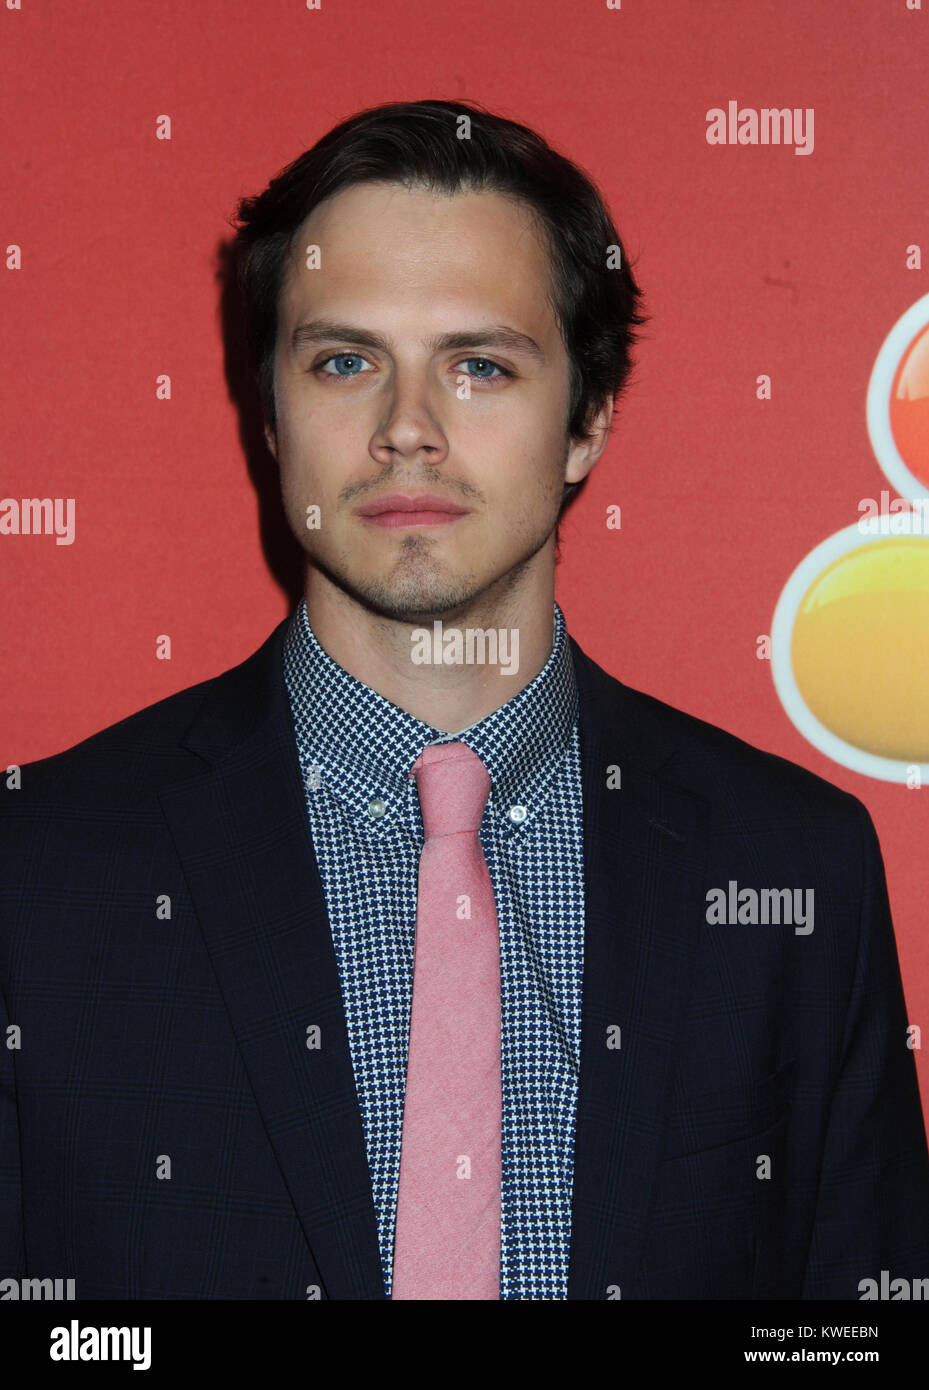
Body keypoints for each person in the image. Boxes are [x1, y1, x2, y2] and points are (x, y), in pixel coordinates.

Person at [2, 98, 928, 1301]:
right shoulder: (38, 873)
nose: (406, 432)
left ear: (585, 419)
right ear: (269, 418)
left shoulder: (792, 869)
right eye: (345, 361)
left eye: (478, 366)